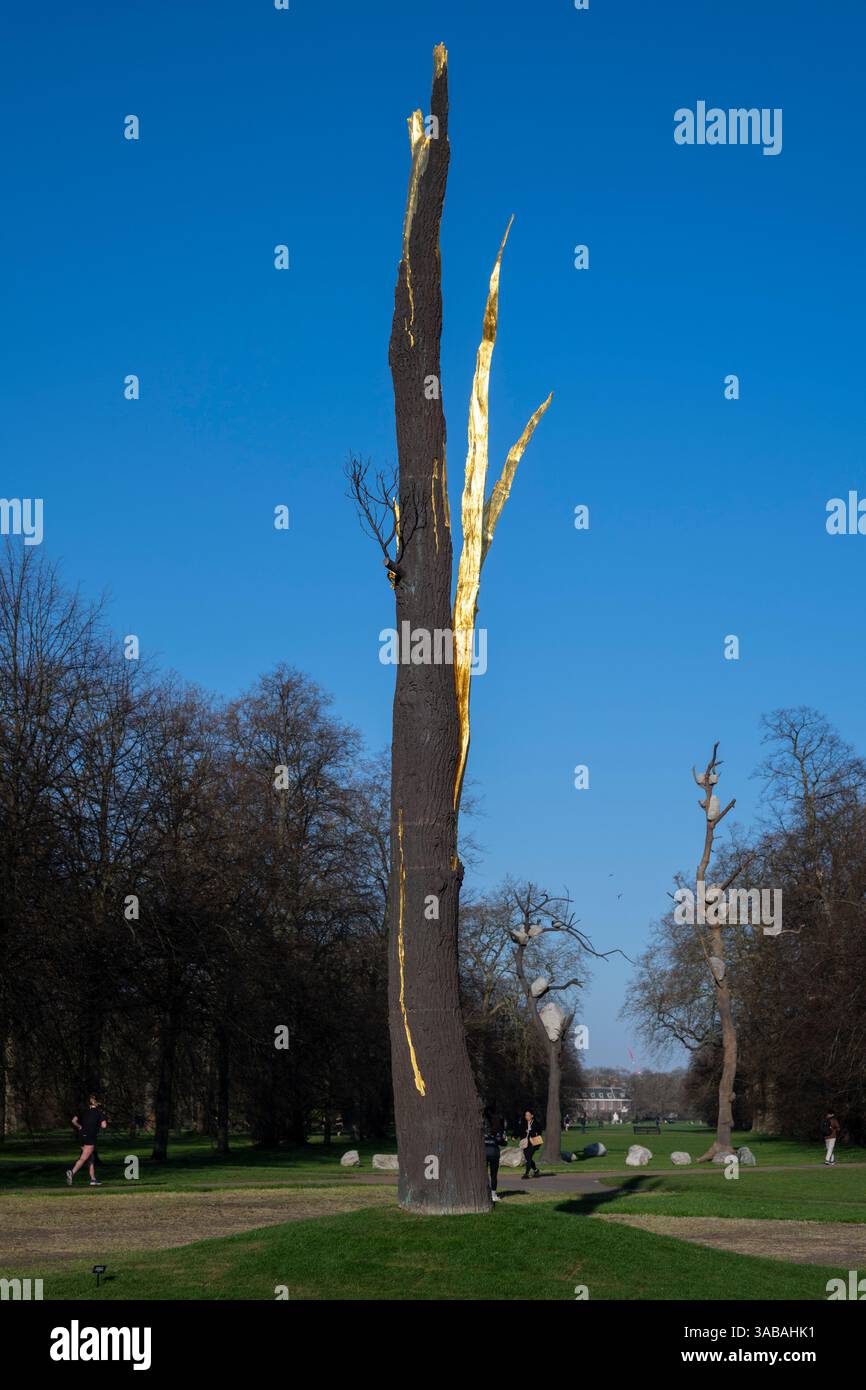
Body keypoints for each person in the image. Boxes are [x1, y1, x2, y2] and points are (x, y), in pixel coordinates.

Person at [66, 1094, 108, 1187]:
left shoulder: (84, 1111)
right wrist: (99, 1124)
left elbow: (73, 1121)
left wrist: (79, 1126)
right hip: (90, 1136)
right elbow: (104, 1125)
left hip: (81, 1136)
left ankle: (93, 1179)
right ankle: (71, 1172)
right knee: (83, 1158)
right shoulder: (99, 1113)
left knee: (91, 1158)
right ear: (97, 1103)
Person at [483, 1107, 506, 1203]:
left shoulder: (483, 1129)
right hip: (494, 1153)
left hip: (484, 1153)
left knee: (484, 1174)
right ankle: (493, 1194)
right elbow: (503, 1142)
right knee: (493, 1175)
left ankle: (484, 1192)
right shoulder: (499, 1130)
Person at [517, 1107, 543, 1179]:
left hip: (533, 1143)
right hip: (525, 1143)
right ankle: (536, 1170)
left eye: (528, 1115)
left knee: (528, 1158)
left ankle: (526, 1174)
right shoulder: (523, 1123)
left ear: (532, 1115)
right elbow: (519, 1131)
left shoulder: (536, 1124)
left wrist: (530, 1132)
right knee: (528, 1158)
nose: (527, 1117)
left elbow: (539, 1133)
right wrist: (514, 1136)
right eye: (526, 1115)